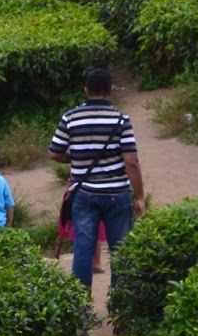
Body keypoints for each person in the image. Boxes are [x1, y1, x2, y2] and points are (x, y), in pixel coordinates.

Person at [48, 68, 146, 291]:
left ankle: (81, 308)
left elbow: (54, 152)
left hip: (83, 194)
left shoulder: (70, 117)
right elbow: (131, 161)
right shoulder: (121, 119)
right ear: (111, 91)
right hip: (117, 194)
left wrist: (77, 158)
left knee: (83, 250)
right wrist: (139, 196)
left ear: (85, 90)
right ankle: (120, 307)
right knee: (121, 250)